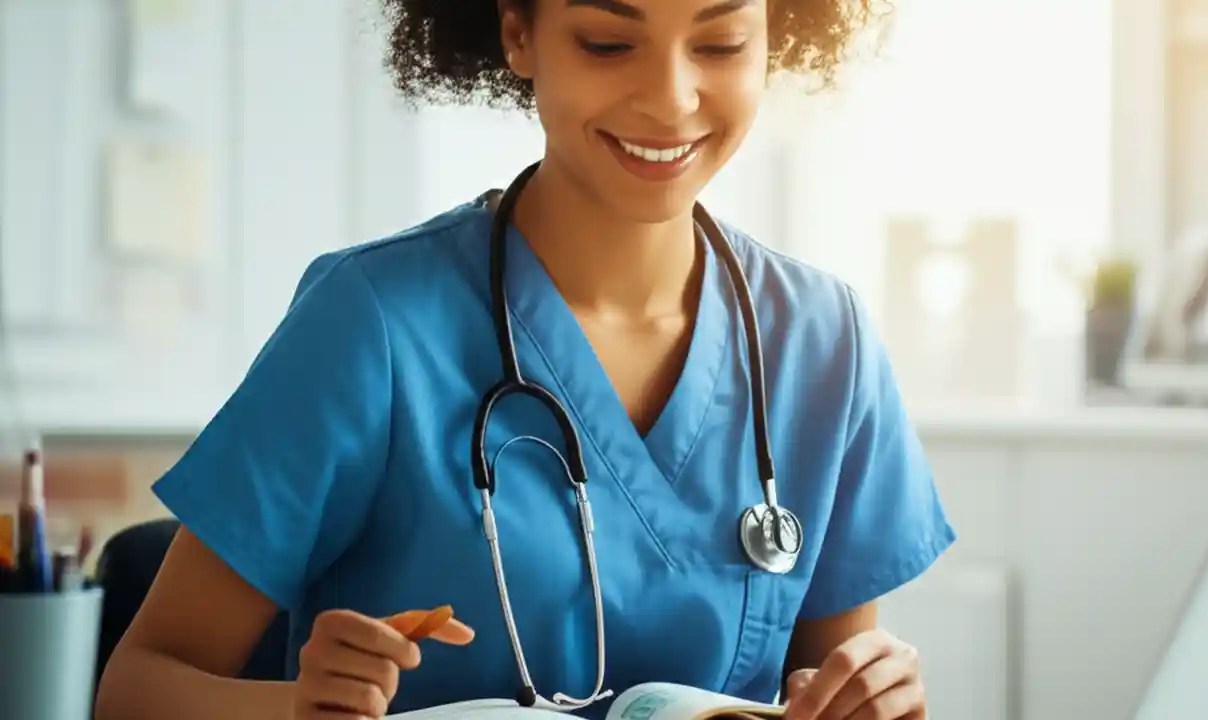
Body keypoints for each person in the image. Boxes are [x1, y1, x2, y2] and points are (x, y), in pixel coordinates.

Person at [95, 1, 956, 719]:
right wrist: (295, 708)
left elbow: (828, 689)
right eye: (608, 42)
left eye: (722, 42)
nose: (670, 98)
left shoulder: (824, 342)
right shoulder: (373, 322)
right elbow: (133, 692)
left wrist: (868, 699)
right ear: (517, 33)